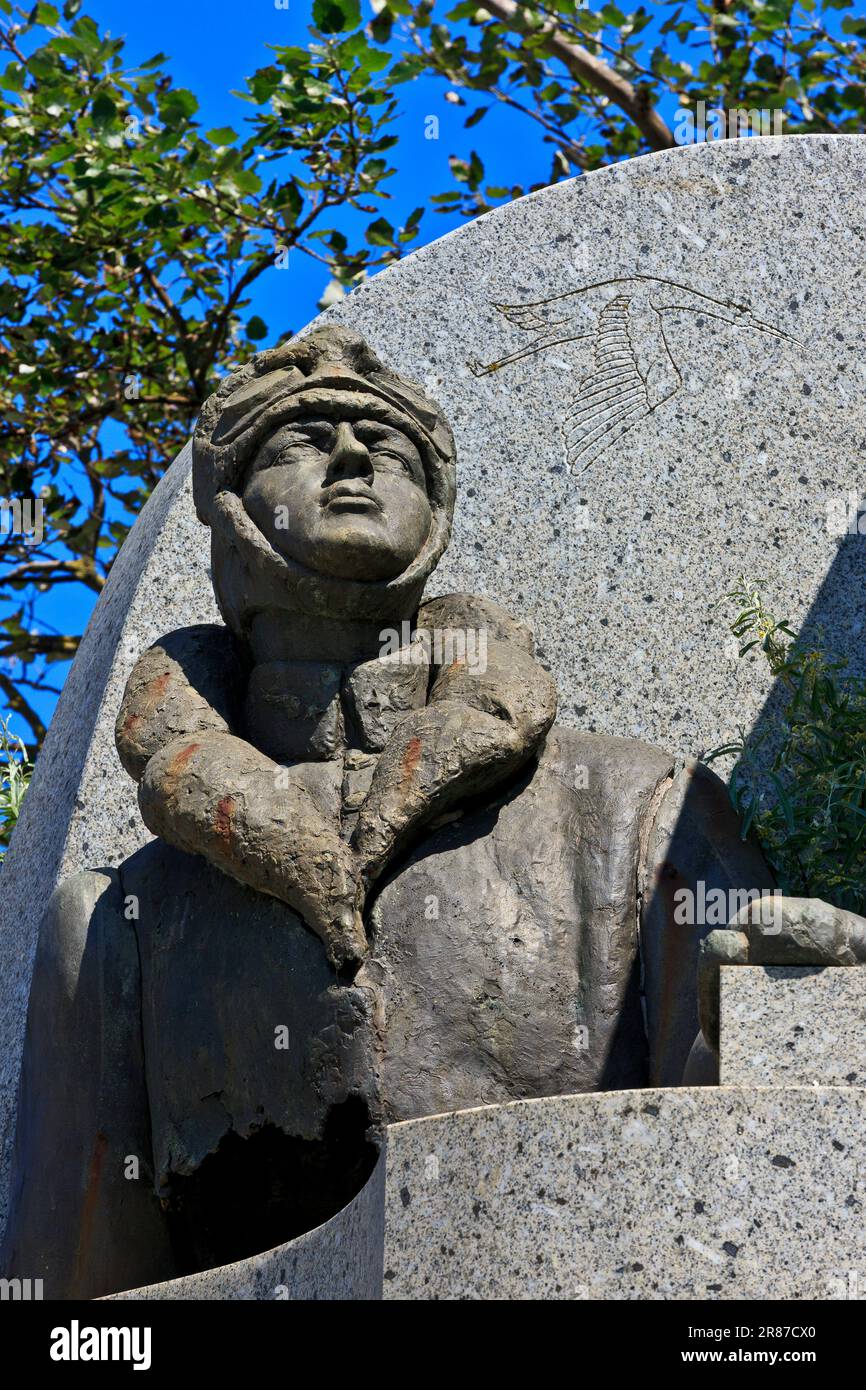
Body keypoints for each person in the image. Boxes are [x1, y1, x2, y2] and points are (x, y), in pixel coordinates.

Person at [4, 326, 865, 1298]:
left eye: (389, 444)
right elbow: (75, 1309)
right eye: (301, 438)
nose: (350, 457)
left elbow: (751, 1214)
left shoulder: (642, 812)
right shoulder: (120, 924)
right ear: (226, 504)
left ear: (437, 508)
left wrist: (794, 1017)